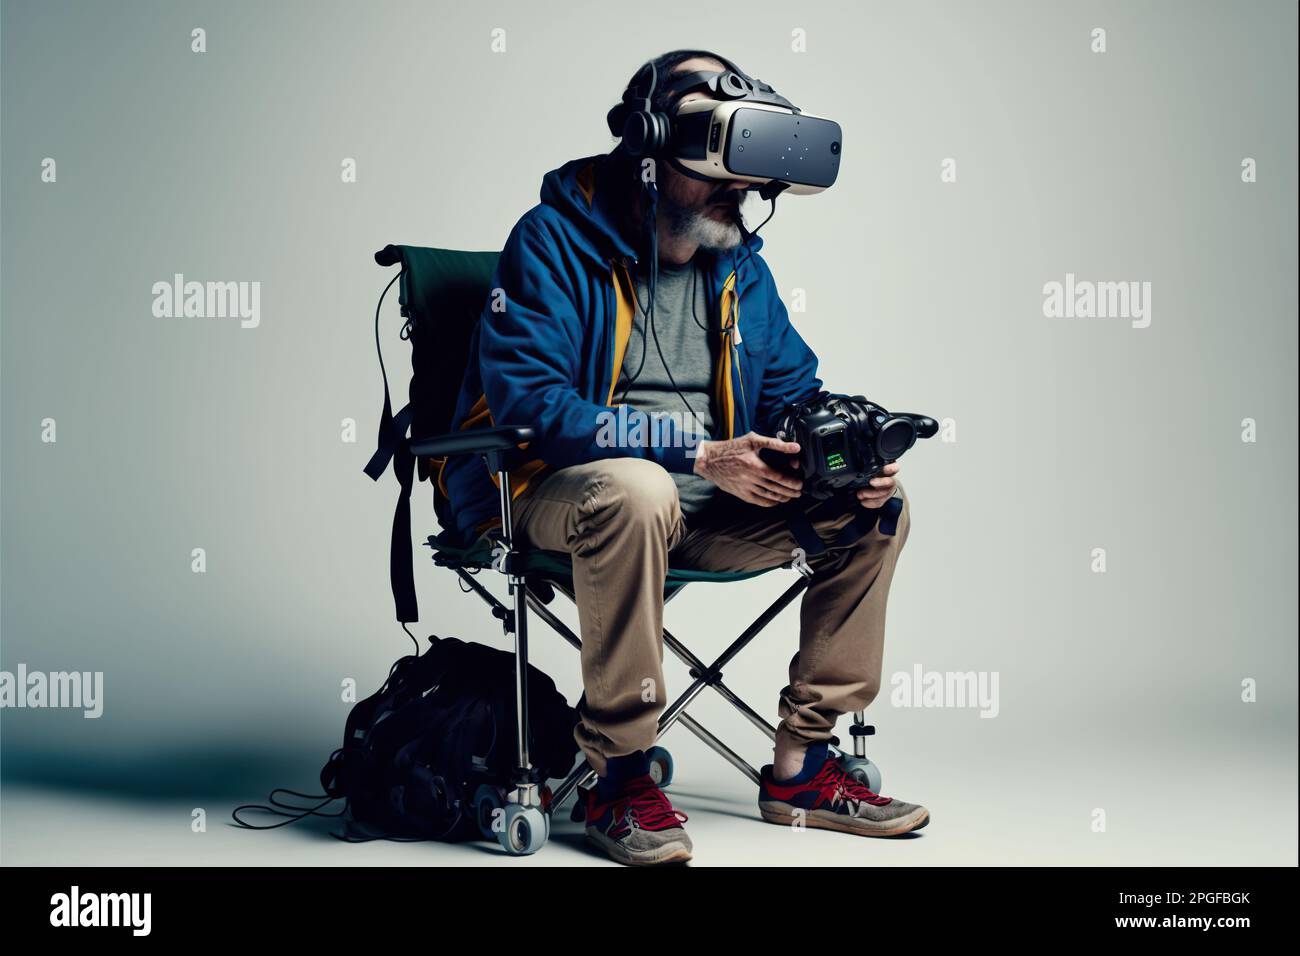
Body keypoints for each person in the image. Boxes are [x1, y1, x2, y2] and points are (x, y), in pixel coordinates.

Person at [441, 49, 929, 866]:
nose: (742, 198)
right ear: (647, 154)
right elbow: (534, 408)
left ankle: (803, 765)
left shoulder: (737, 266)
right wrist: (697, 451)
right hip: (553, 497)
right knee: (637, 491)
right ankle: (620, 773)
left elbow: (791, 389)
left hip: (702, 507)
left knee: (876, 508)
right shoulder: (550, 243)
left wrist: (839, 451)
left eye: (751, 185)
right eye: (720, 177)